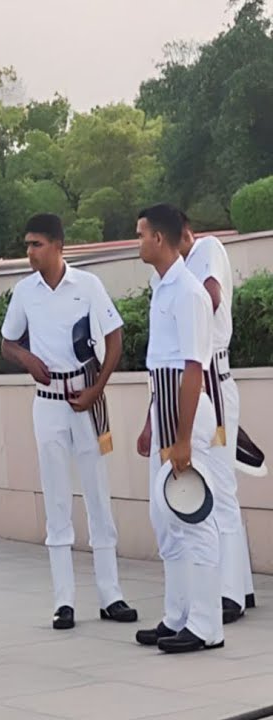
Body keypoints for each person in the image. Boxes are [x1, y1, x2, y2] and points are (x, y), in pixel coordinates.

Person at [0, 213, 138, 631]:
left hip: (86, 396)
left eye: (36, 244)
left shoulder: (88, 286)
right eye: (27, 245)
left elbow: (114, 337)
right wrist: (27, 359)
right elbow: (7, 343)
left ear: (58, 245)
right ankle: (64, 600)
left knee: (98, 493)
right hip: (48, 400)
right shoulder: (25, 292)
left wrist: (98, 388)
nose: (30, 252)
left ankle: (110, 593)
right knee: (57, 498)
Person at [132, 204, 224, 654]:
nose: (138, 242)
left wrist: (183, 437)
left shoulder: (188, 291)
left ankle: (207, 626)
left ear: (160, 240)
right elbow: (160, 367)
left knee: (195, 520)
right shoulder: (162, 287)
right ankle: (177, 616)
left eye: (141, 234)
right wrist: (153, 424)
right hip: (165, 409)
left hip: (185, 414)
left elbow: (192, 369)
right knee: (166, 521)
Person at [180, 214, 256, 620]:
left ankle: (230, 596)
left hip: (215, 377)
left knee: (222, 490)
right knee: (214, 486)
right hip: (196, 383)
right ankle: (239, 584)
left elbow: (210, 295)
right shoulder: (173, 273)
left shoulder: (206, 248)